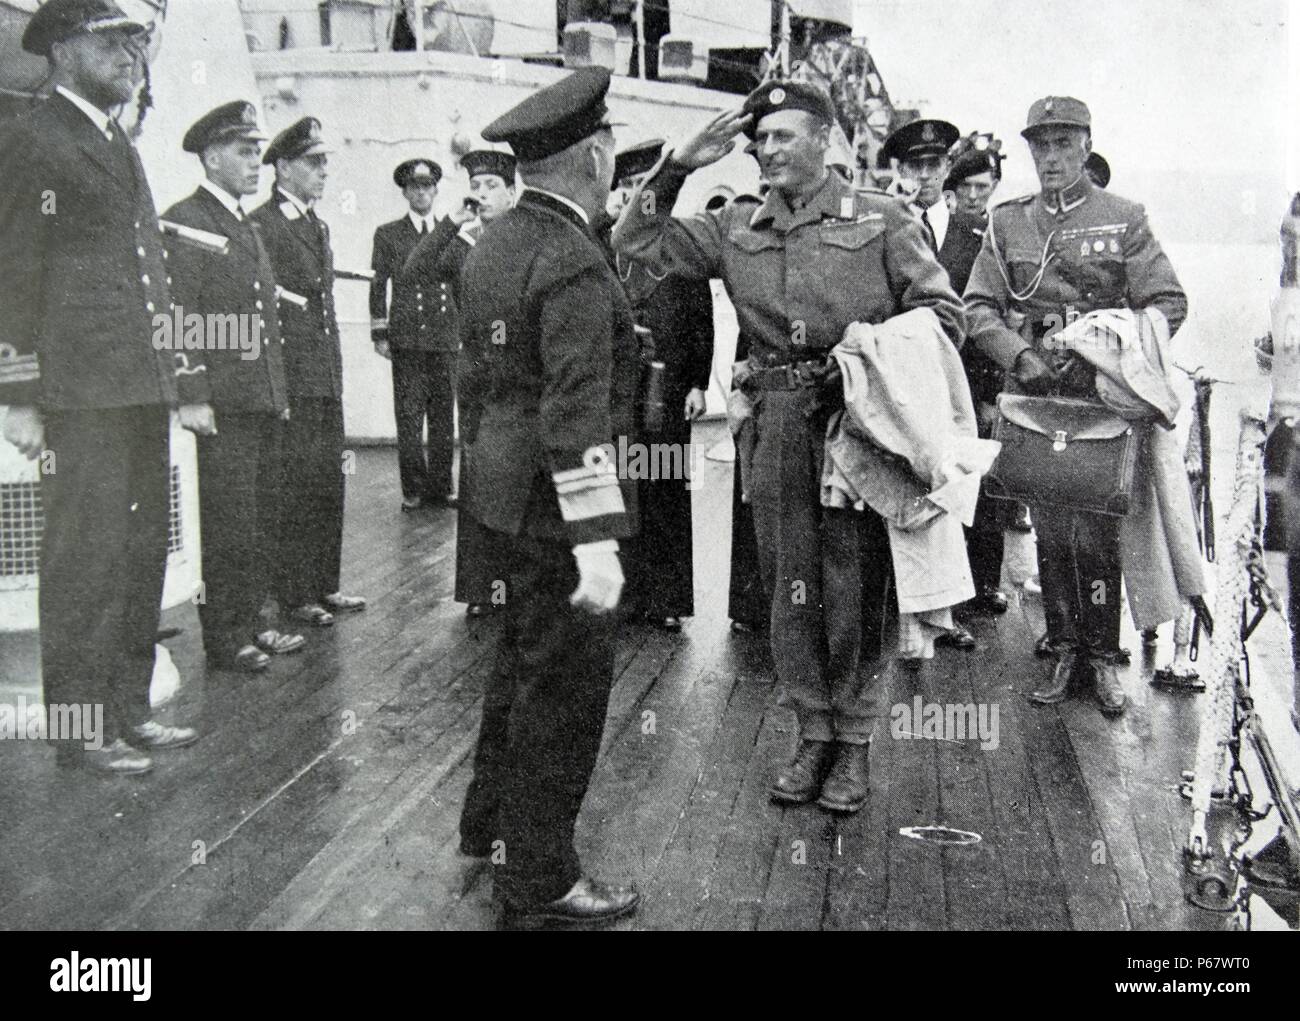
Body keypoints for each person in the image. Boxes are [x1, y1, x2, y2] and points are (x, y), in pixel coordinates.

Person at [614, 81, 965, 814]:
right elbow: (634, 240)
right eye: (759, 139)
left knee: (856, 585)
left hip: (856, 429)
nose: (765, 150)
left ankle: (855, 740)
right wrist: (679, 165)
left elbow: (942, 315)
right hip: (775, 426)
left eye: (782, 136)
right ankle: (813, 732)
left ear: (824, 140)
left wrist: (867, 363)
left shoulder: (882, 219)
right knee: (787, 584)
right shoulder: (736, 223)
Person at [455, 67, 642, 927]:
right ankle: (540, 876)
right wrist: (598, 539)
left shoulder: (498, 239)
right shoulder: (570, 259)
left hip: (501, 495)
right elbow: (574, 411)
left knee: (516, 675)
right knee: (562, 696)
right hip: (558, 509)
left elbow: (487, 379)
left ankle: (488, 833)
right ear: (598, 155)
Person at [0, 0, 206, 774]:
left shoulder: (114, 140)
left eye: (136, 39)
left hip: (137, 384)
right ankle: (81, 731)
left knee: (137, 550)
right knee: (83, 558)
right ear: (60, 48)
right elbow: (13, 271)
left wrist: (177, 373)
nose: (132, 52)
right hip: (79, 390)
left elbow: (150, 271)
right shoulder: (29, 137)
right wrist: (17, 394)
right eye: (112, 39)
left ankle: (125, 708)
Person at [963, 96, 1187, 716]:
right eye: (1041, 145)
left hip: (1099, 398)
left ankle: (1100, 655)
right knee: (1051, 525)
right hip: (1038, 395)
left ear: (1087, 146)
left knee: (1098, 529)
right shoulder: (1008, 224)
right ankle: (1064, 644)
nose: (1051, 158)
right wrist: (1019, 356)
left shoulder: (1123, 217)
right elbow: (976, 306)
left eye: (1064, 144)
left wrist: (1103, 346)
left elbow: (1167, 302)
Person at [162, 101, 304, 673]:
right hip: (221, 401)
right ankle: (225, 637)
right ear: (212, 155)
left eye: (257, 152)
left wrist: (279, 392)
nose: (256, 164)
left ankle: (255, 620)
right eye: (245, 153)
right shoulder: (188, 218)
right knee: (227, 520)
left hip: (259, 398)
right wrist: (192, 391)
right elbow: (177, 312)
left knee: (258, 516)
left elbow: (263, 318)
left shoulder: (242, 222)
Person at [252, 117, 366, 629]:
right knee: (295, 485)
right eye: (312, 163)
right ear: (282, 167)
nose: (323, 173)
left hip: (324, 375)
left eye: (324, 163)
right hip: (294, 378)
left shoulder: (316, 225)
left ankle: (325, 581)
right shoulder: (264, 225)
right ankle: (294, 592)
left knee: (327, 481)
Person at [401, 148, 518, 617]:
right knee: (476, 487)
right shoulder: (463, 248)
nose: (481, 194)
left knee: (514, 485)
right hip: (476, 386)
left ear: (512, 193)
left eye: (492, 186)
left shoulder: (524, 244)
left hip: (517, 380)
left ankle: (516, 588)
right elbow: (414, 270)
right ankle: (481, 590)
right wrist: (450, 220)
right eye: (476, 186)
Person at [610, 138, 715, 631]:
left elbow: (702, 320)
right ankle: (628, 598)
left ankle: (668, 599)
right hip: (623, 392)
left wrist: (697, 382)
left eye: (645, 186)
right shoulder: (609, 246)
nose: (639, 197)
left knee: (667, 489)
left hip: (669, 394)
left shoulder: (682, 245)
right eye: (630, 187)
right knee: (625, 489)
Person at [941, 146, 1013, 618]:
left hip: (984, 382)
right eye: (964, 187)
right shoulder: (943, 240)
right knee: (950, 483)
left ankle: (985, 584)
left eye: (981, 188)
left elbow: (1000, 318)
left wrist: (990, 395)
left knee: (988, 489)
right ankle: (951, 584)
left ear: (993, 190)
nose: (972, 196)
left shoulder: (1000, 240)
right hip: (949, 378)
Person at [369, 158, 459, 512]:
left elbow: (459, 283)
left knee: (442, 416)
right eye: (414, 187)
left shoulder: (450, 232)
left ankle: (442, 486)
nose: (421, 192)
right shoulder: (388, 234)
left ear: (436, 190)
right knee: (409, 416)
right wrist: (380, 332)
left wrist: (463, 328)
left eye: (427, 186)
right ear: (405, 193)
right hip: (407, 338)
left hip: (444, 337)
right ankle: (414, 490)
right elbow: (378, 284)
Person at [878, 118, 960, 256]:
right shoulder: (884, 229)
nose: (924, 175)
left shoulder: (973, 229)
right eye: (915, 165)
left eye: (934, 164)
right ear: (901, 171)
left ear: (948, 168)